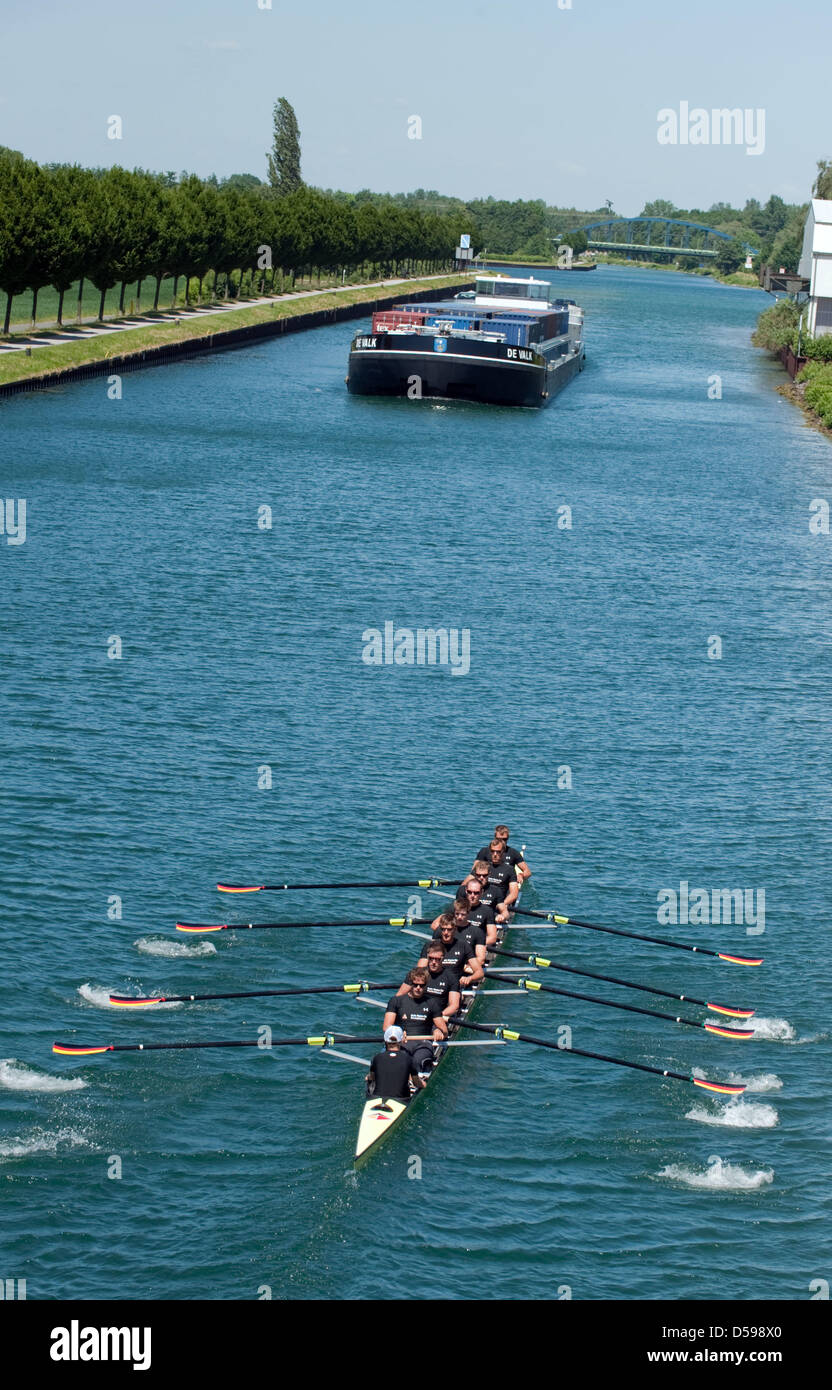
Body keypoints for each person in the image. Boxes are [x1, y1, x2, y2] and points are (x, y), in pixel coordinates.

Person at [383, 969, 448, 1072]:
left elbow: (445, 1030)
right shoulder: (396, 1001)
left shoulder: (431, 1003)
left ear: (426, 985)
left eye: (422, 985)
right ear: (410, 984)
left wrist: (438, 1031)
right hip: (401, 1042)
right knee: (401, 1059)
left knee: (417, 1061)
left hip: (424, 1043)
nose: (418, 988)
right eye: (415, 985)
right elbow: (386, 1027)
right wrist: (397, 1034)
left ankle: (414, 1082)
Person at [420, 910, 483, 987]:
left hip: (454, 986)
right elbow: (420, 971)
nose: (446, 932)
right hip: (433, 984)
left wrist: (469, 978)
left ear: (455, 929)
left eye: (449, 929)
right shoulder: (429, 945)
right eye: (443, 929)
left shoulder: (464, 946)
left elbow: (480, 973)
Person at [365, 1026, 425, 1100]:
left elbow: (372, 1077)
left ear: (385, 1041)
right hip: (402, 1100)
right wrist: (425, 1085)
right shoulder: (409, 1059)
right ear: (400, 1041)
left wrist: (368, 1077)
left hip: (376, 1098)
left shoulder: (377, 1058)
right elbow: (416, 1083)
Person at [457, 875, 497, 947]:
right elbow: (435, 925)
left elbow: (492, 938)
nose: (472, 895)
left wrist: (474, 944)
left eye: (476, 893)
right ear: (466, 891)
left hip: (475, 946)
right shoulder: (456, 908)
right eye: (469, 892)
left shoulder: (487, 911)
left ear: (481, 892)